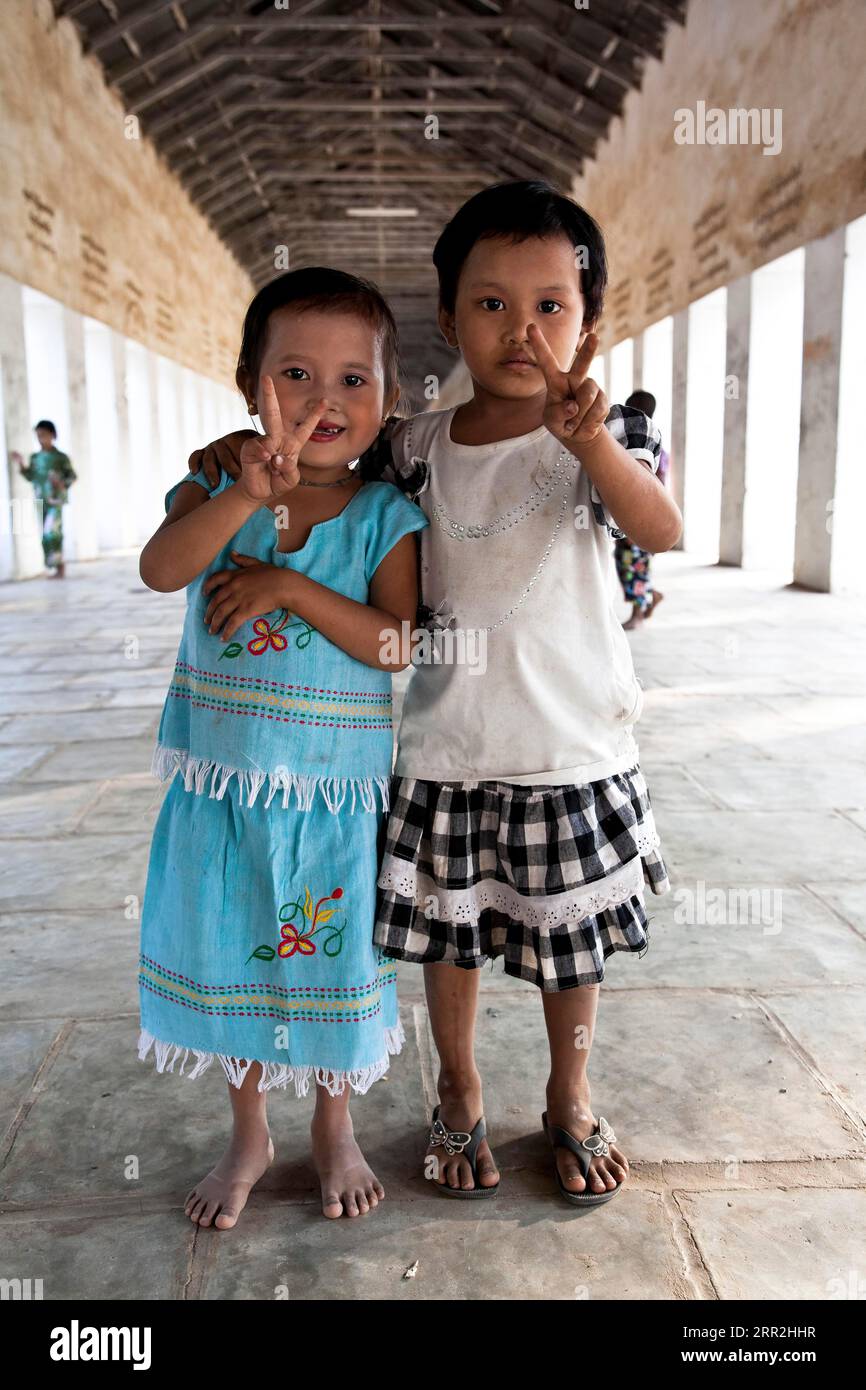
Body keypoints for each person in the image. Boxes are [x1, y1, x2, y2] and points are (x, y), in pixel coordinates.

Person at [187, 181, 683, 1212]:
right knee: (446, 939)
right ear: (448, 315)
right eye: (491, 303)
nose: (522, 328)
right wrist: (229, 459)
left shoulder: (600, 434)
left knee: (566, 945)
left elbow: (659, 528)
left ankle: (568, 1089)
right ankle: (455, 1087)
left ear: (589, 322)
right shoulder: (414, 447)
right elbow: (317, 458)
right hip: (442, 750)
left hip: (567, 750)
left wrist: (589, 437)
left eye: (551, 304)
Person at [137, 268, 427, 1226]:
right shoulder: (216, 481)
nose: (324, 399)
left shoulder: (386, 518)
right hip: (222, 787)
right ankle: (250, 1130)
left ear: (388, 403)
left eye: (355, 380)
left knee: (328, 960)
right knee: (235, 951)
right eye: (296, 373)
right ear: (247, 380)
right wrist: (240, 496)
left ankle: (333, 1126)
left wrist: (291, 588)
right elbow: (160, 566)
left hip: (334, 799)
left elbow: (396, 641)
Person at [615, 390, 671, 629]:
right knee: (627, 562)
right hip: (632, 514)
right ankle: (650, 596)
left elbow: (651, 485)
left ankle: (638, 614)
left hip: (642, 515)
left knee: (634, 564)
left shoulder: (647, 446)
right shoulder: (641, 442)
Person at [14, 420, 76, 577]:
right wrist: (21, 463)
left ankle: (60, 566)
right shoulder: (34, 458)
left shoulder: (60, 457)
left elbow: (72, 476)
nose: (41, 438)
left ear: (53, 435)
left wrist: (61, 483)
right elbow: (30, 476)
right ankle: (55, 566)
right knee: (44, 535)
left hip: (56, 500)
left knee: (52, 532)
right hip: (40, 499)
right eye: (38, 435)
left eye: (44, 435)